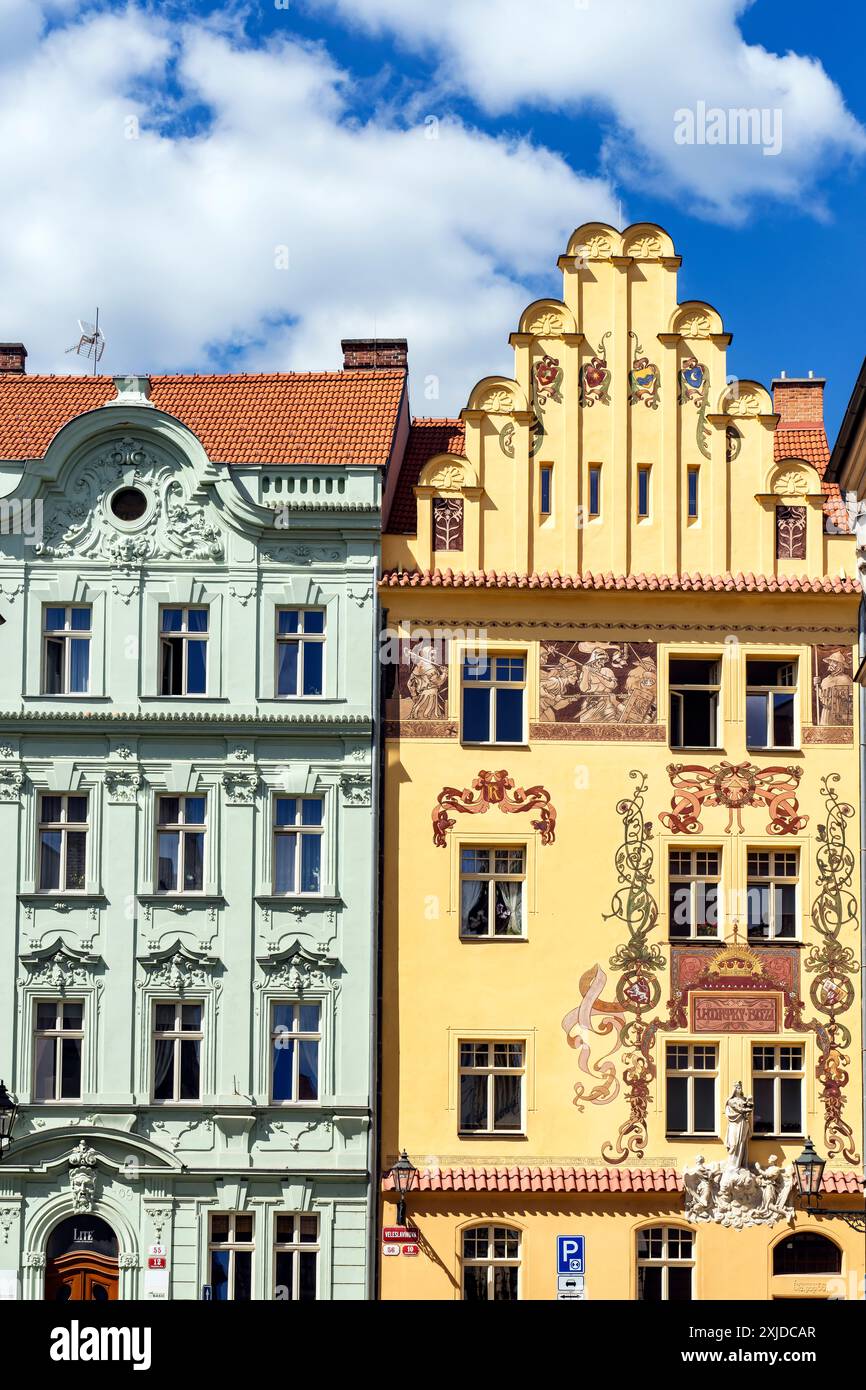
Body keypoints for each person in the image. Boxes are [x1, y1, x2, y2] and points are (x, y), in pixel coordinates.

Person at [723, 1081, 753, 1171]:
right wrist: (744, 1110)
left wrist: (748, 1109)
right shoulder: (730, 1101)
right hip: (734, 1124)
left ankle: (740, 1165)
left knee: (742, 1143)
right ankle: (732, 1165)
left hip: (743, 1123)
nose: (739, 1089)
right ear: (734, 1089)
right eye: (737, 1087)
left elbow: (748, 1110)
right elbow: (735, 1110)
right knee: (734, 1143)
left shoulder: (744, 1099)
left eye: (740, 1087)